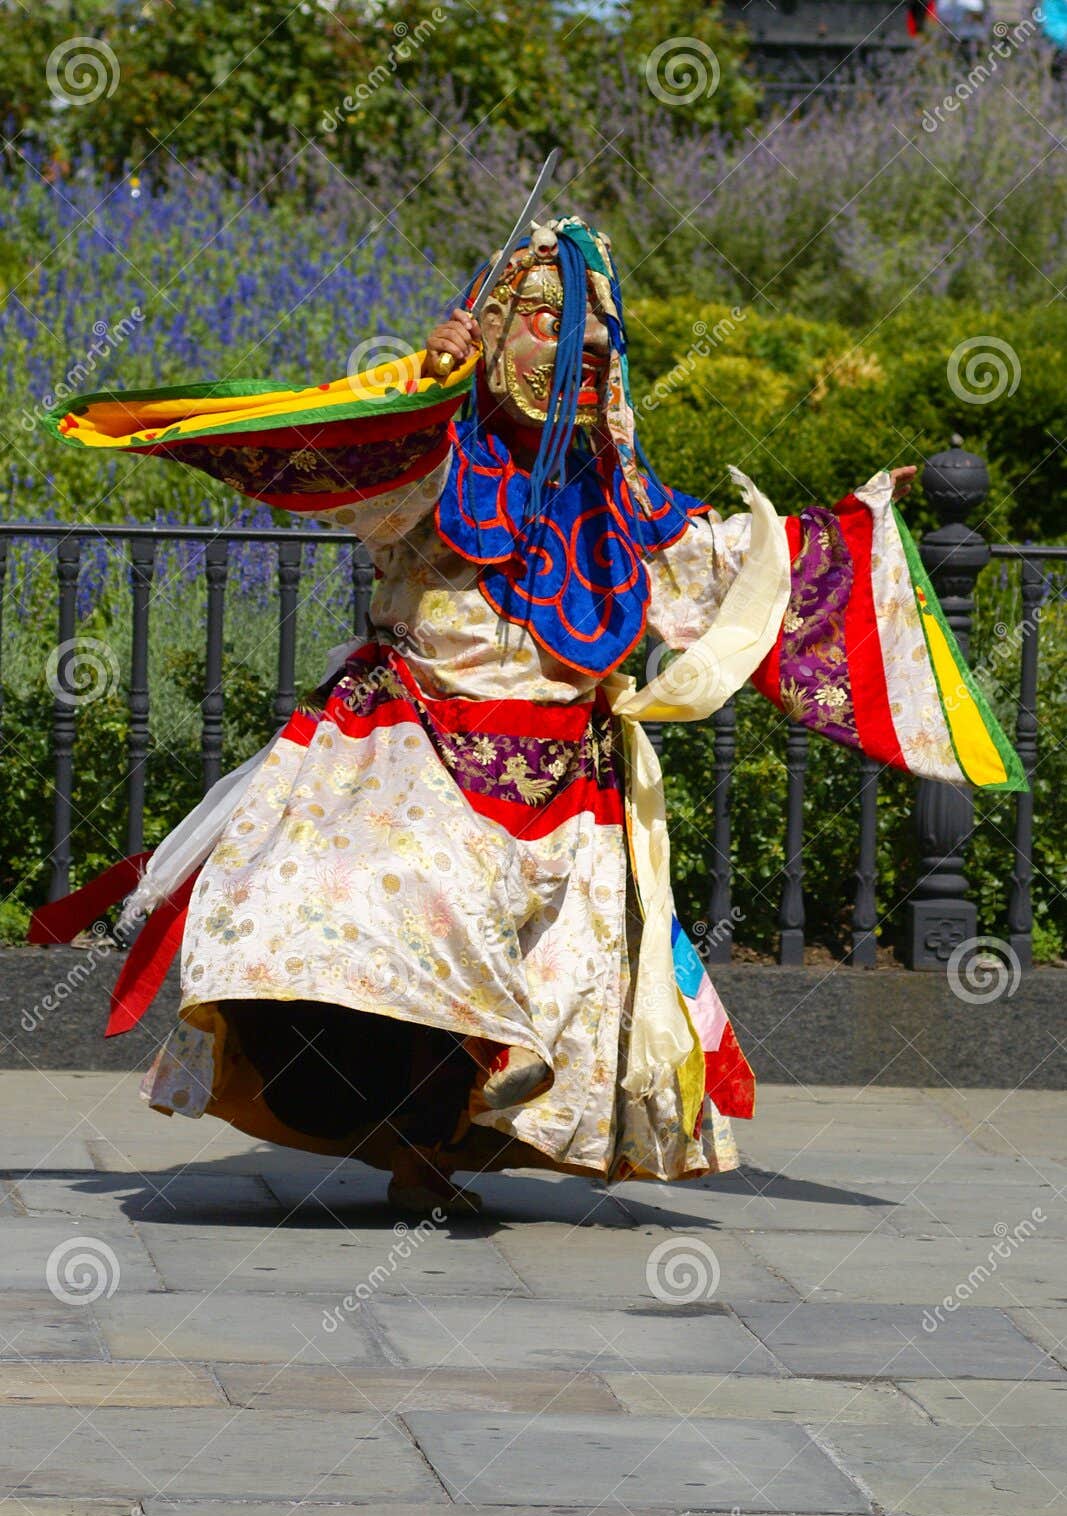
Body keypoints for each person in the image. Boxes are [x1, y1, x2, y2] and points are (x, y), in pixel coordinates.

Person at [35, 215, 1023, 1215]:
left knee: (564, 968)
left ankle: (452, 1137)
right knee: (398, 907)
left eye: (592, 331)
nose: (577, 348)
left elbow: (720, 565)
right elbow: (346, 470)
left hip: (568, 766)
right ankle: (417, 1141)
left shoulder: (613, 487)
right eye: (546, 322)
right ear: (495, 328)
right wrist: (422, 382)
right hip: (413, 739)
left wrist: (848, 527)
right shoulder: (431, 448)